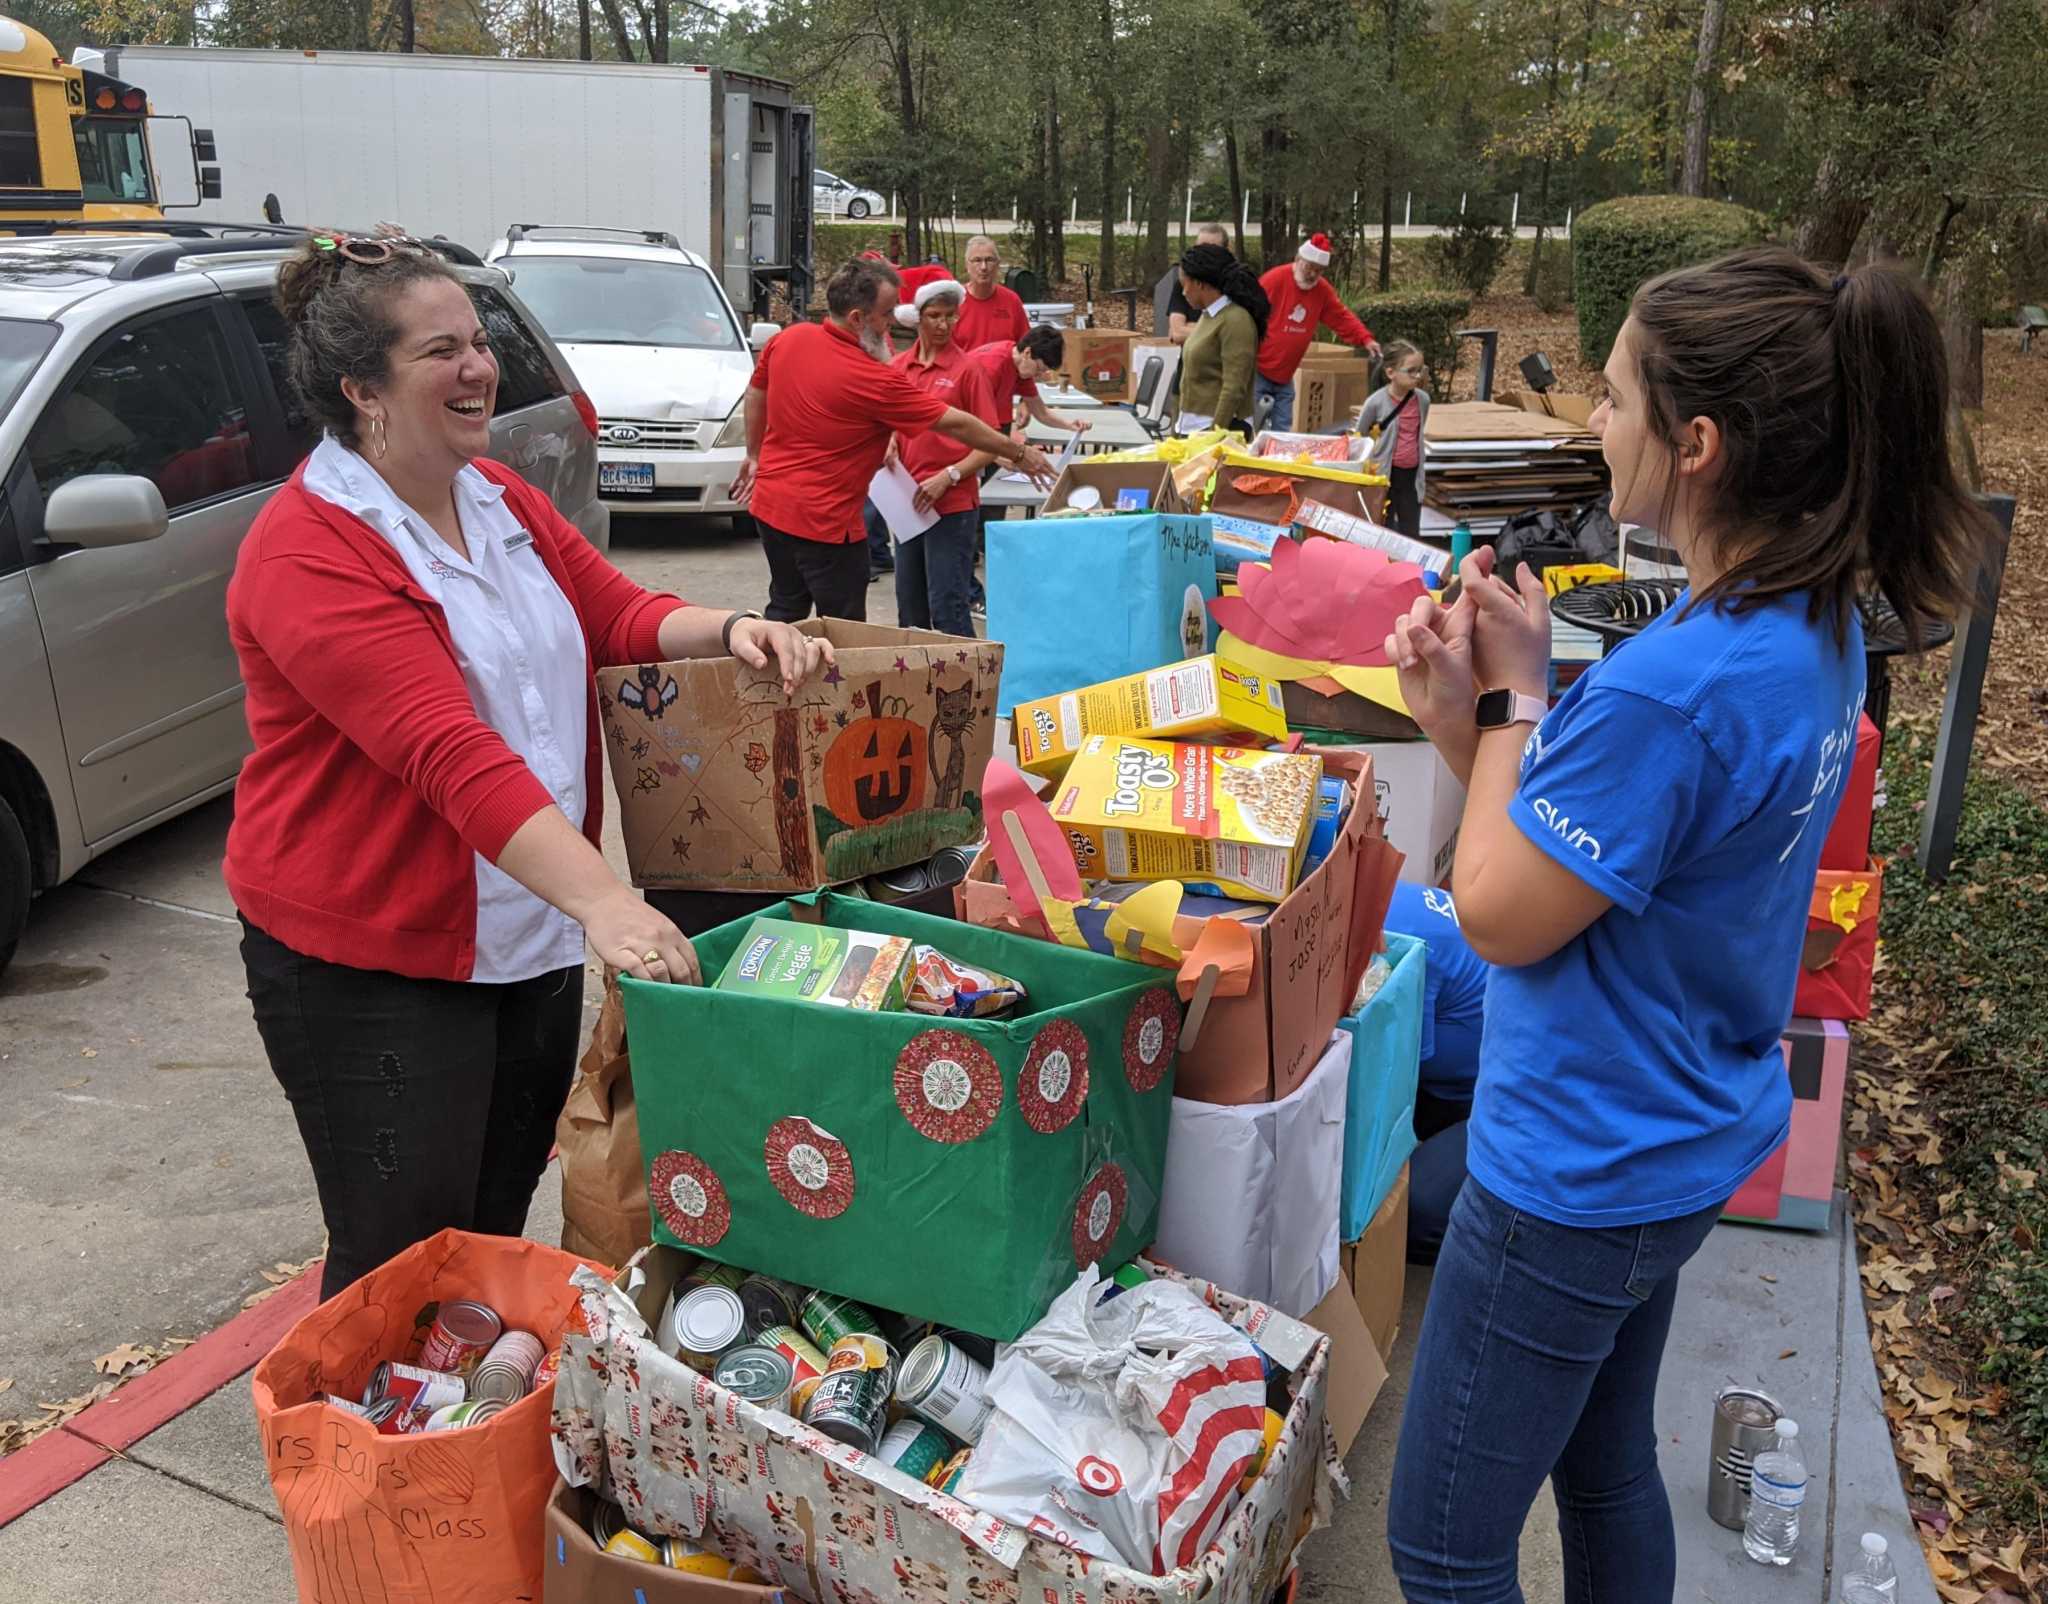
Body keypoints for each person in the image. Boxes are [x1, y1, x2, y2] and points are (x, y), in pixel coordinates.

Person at [1380, 247, 1990, 1601]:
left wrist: (1507, 709)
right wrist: (1470, 718)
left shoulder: (1675, 686)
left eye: (1612, 397)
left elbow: (1497, 912)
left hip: (1575, 1169)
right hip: (1683, 1132)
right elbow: (1587, 857)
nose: (1595, 422)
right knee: (1602, 1473)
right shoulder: (1809, 627)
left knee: (1441, 1543)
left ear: (1696, 443)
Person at [224, 232, 837, 1300]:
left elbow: (614, 610)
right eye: (439, 351)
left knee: (494, 1229)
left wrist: (730, 627)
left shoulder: (497, 496)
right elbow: (447, 750)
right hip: (373, 964)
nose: (478, 367)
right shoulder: (309, 547)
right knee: (401, 1258)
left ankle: (466, 1446)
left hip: (526, 935)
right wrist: (605, 898)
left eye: (478, 340)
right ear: (361, 387)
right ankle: (364, 1462)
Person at [731, 257, 1052, 624]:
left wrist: (754, 455)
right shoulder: (875, 378)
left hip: (771, 510)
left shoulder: (788, 338)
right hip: (827, 525)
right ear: (857, 318)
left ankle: (773, 678)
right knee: (842, 630)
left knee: (785, 609)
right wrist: (1019, 452)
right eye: (886, 315)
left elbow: (756, 392)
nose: (892, 325)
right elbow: (955, 423)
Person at [862, 278, 1001, 637]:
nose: (942, 325)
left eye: (950, 317)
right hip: (906, 502)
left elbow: (991, 442)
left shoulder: (967, 370)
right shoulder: (898, 368)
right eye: (935, 316)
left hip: (952, 504)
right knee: (910, 609)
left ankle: (972, 687)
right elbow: (884, 421)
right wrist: (889, 438)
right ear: (917, 318)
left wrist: (950, 475)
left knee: (948, 606)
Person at [1380, 881, 1488, 1263]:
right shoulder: (1387, 895)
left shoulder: (1402, 944)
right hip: (1451, 1081)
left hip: (1493, 1097)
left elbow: (1398, 1064)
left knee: (1412, 1215)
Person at [1254, 232, 1380, 431]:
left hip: (1285, 376)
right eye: (1309, 267)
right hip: (1258, 370)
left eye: (1318, 270)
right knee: (1254, 427)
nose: (1312, 274)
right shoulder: (1274, 279)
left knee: (1282, 431)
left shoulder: (1321, 291)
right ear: (1298, 259)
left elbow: (1341, 317)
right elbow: (1250, 311)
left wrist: (1365, 339)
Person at [1174, 243, 1269, 435]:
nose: (1183, 292)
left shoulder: (1236, 320)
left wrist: (1215, 432)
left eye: (1185, 284)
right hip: (1193, 426)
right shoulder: (1209, 315)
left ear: (1200, 283)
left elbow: (1234, 387)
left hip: (1218, 428)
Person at [1357, 340, 1431, 536]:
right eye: (1411, 371)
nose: (1417, 376)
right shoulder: (1375, 402)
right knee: (1383, 527)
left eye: (1420, 370)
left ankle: (1410, 566)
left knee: (1410, 529)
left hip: (1412, 476)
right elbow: (1359, 437)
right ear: (1391, 373)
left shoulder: (1423, 400)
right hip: (1385, 474)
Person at [967, 324, 1092, 437]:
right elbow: (972, 422)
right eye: (1039, 369)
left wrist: (1070, 425)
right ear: (1027, 353)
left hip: (994, 425)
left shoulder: (1022, 367)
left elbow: (1041, 412)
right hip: (968, 427)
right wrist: (1007, 452)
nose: (1039, 375)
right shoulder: (991, 368)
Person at [1157, 221, 1231, 343]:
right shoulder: (1184, 284)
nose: (1203, 256)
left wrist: (1190, 326)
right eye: (1199, 248)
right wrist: (1218, 332)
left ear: (1226, 251)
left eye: (1211, 249)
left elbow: (1235, 333)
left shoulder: (1235, 286)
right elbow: (1176, 334)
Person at [953, 235, 1031, 351]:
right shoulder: (954, 302)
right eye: (977, 260)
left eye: (989, 260)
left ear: (998, 264)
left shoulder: (1011, 301)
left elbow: (1026, 348)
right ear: (967, 265)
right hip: (965, 369)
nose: (984, 267)